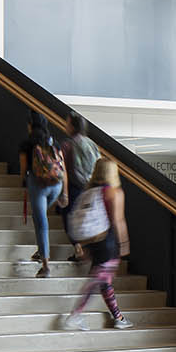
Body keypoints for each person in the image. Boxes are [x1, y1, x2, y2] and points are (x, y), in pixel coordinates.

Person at [58, 156, 132, 330]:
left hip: (91, 241)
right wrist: (124, 245)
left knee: (103, 280)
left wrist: (82, 245)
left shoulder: (88, 192)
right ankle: (75, 314)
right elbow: (118, 221)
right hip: (107, 242)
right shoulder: (114, 192)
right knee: (98, 279)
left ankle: (119, 317)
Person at [18, 112, 66, 277]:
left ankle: (45, 266)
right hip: (56, 185)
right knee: (41, 217)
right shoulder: (54, 142)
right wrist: (64, 193)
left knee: (41, 223)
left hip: (38, 185)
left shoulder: (27, 143)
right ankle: (41, 250)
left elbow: (24, 168)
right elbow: (62, 167)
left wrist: (23, 181)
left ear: (31, 125)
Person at [60, 112, 100, 263]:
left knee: (70, 218)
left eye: (67, 123)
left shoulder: (67, 145)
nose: (65, 125)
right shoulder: (92, 144)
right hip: (91, 188)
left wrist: (63, 193)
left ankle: (79, 249)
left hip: (74, 187)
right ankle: (89, 251)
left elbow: (62, 170)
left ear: (72, 126)